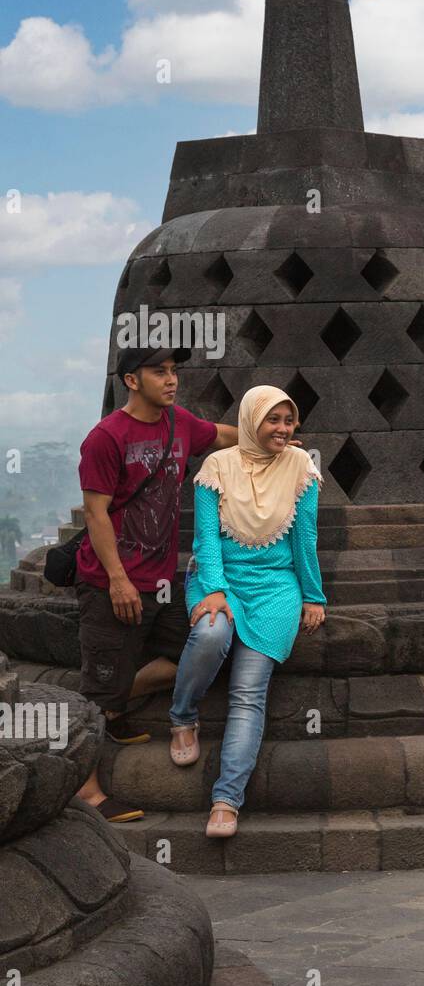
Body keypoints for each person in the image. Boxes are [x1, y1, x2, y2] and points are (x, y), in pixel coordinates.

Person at [74, 346, 238, 821]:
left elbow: (221, 434)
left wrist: (270, 437)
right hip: (111, 583)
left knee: (200, 646)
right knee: (97, 688)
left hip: (164, 583)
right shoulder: (106, 437)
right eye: (158, 372)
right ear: (131, 380)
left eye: (173, 372)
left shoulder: (178, 424)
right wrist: (118, 581)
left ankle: (119, 701)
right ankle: (87, 790)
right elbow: (95, 512)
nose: (171, 380)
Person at [166, 385, 326, 837]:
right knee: (211, 634)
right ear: (251, 422)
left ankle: (226, 800)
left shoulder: (300, 467)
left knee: (249, 692)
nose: (281, 429)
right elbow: (206, 538)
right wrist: (214, 589)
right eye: (271, 420)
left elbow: (304, 538)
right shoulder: (217, 466)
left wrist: (313, 596)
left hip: (276, 587)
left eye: (288, 420)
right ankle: (182, 717)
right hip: (219, 577)